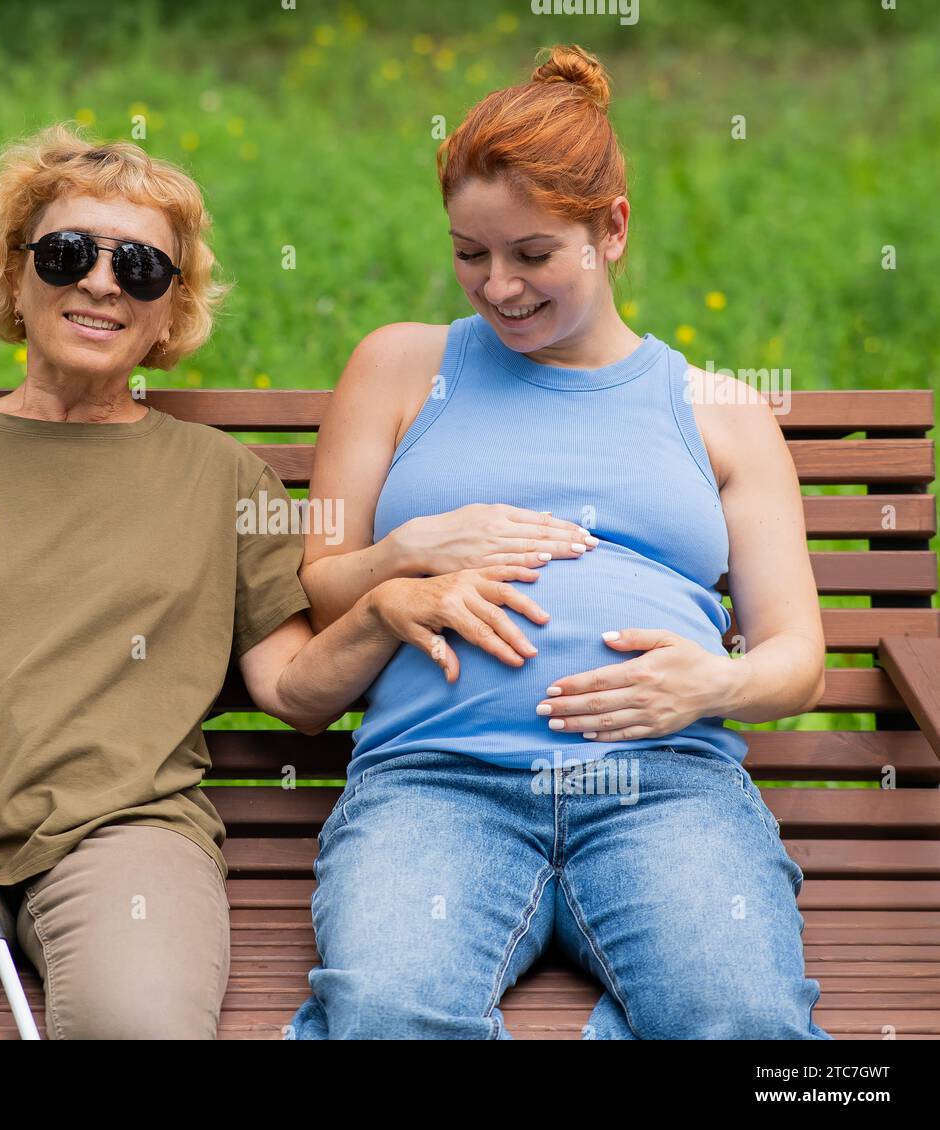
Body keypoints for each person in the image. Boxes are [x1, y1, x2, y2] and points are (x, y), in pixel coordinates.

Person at [0, 123, 485, 1039]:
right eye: (67, 253)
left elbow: (290, 691)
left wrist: (383, 599)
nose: (101, 282)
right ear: (14, 273)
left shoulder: (223, 478)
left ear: (169, 309)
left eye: (141, 268)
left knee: (138, 1026)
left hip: (126, 832)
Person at [286, 45, 831, 1039]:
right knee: (382, 1015)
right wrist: (408, 547)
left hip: (661, 786)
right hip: (440, 777)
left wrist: (711, 684)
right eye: (469, 252)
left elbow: (795, 656)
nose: (497, 287)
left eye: (532, 254)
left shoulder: (719, 410)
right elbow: (323, 590)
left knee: (740, 1022)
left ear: (610, 227)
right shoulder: (399, 366)